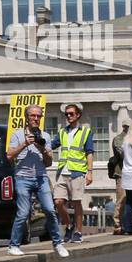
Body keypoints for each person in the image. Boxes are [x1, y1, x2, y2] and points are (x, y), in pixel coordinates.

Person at [6, 106, 68, 258]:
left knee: (50, 209)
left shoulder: (45, 136)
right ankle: (13, 245)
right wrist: (24, 144)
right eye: (32, 116)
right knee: (23, 212)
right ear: (26, 117)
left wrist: (42, 149)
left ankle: (57, 243)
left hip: (41, 177)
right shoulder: (17, 134)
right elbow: (9, 156)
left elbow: (48, 163)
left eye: (38, 116)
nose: (35, 118)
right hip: (23, 177)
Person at [52, 103, 93, 243]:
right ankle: (69, 225)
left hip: (77, 172)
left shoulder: (85, 132)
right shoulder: (63, 132)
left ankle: (78, 232)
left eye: (71, 114)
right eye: (66, 114)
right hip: (62, 171)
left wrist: (90, 172)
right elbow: (51, 145)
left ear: (78, 115)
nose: (68, 116)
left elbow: (89, 153)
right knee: (58, 202)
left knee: (76, 203)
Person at [107, 123, 129, 234]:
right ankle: (117, 225)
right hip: (122, 173)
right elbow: (123, 154)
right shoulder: (119, 139)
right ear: (124, 127)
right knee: (122, 199)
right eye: (129, 126)